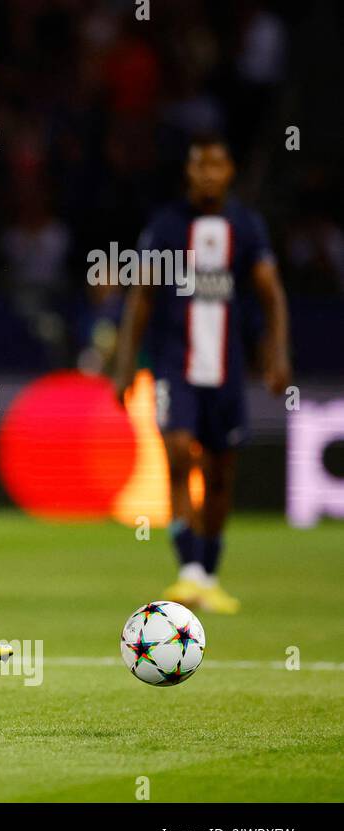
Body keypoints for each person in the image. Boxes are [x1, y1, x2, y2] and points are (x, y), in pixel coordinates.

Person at [113, 133, 291, 614]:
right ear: (188, 172)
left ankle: (209, 573)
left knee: (220, 472)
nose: (208, 175)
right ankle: (189, 569)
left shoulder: (246, 226)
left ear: (229, 172)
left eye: (216, 166)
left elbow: (271, 294)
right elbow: (142, 297)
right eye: (199, 166)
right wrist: (125, 366)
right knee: (177, 451)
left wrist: (277, 354)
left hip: (226, 368)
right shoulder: (166, 226)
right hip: (175, 364)